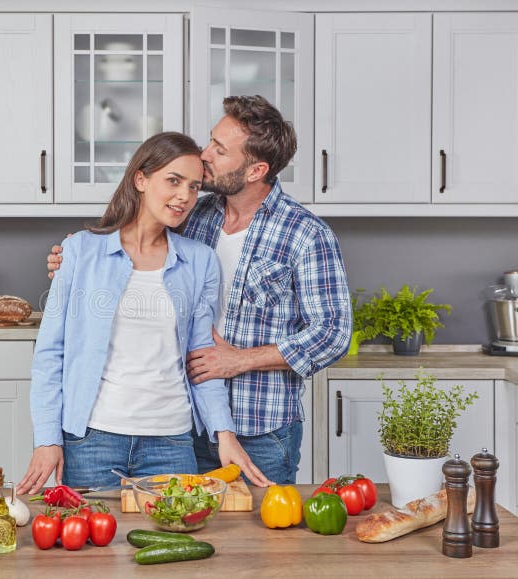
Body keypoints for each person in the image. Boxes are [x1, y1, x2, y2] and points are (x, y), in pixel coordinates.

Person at [48, 96, 352, 484]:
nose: (204, 154)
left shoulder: (305, 234)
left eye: (219, 150)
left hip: (256, 427)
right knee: (183, 532)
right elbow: (130, 244)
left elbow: (333, 334)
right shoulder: (193, 214)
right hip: (184, 422)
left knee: (252, 541)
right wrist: (73, 260)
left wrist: (241, 360)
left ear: (256, 169)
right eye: (211, 140)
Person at [17, 132, 270, 495]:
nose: (184, 195)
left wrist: (223, 434)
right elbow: (49, 355)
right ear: (140, 179)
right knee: (94, 549)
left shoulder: (199, 261)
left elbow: (202, 359)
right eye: (173, 180)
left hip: (171, 443)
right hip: (93, 441)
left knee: (176, 545)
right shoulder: (79, 252)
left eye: (195, 186)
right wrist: (47, 439)